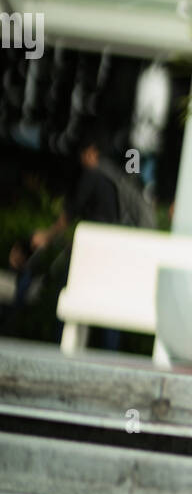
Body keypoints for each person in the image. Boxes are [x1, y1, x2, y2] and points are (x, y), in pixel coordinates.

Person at [28, 118, 124, 349]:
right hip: (115, 248)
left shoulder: (92, 176)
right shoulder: (114, 176)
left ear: (91, 152)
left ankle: (60, 343)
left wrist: (47, 235)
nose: (81, 159)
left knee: (68, 286)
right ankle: (111, 350)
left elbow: (68, 215)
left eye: (82, 153)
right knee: (108, 299)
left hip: (94, 250)